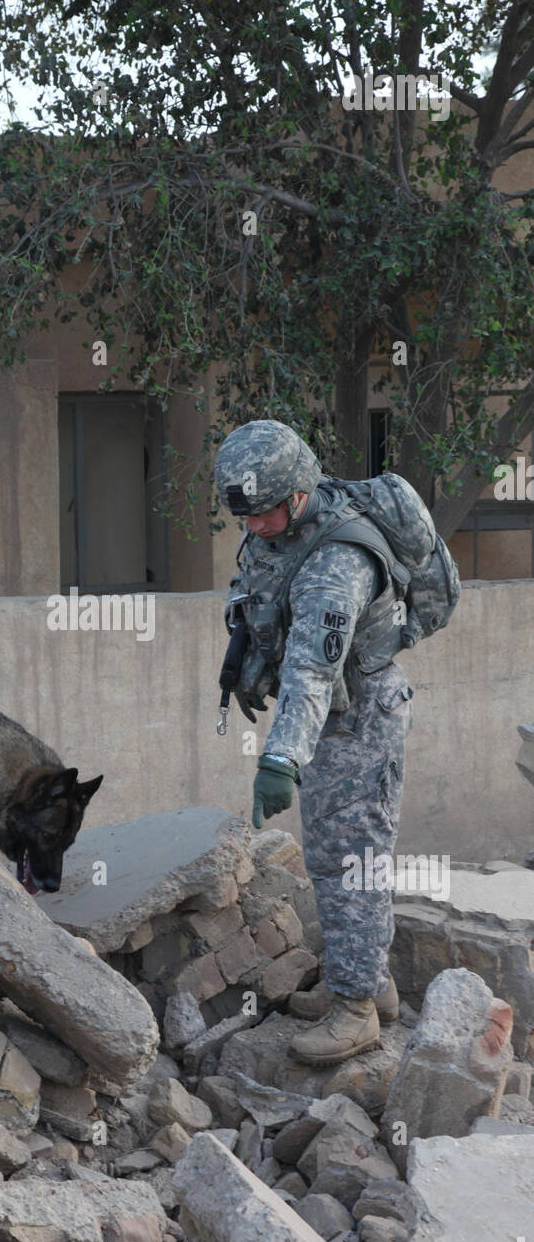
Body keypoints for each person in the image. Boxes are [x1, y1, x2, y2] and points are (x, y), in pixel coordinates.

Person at [214, 419, 414, 1066]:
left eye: (265, 514)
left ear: (298, 492)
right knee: (335, 851)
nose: (255, 527)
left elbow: (313, 673)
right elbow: (262, 599)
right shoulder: (282, 529)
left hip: (360, 721)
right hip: (331, 719)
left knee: (351, 857)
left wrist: (279, 759)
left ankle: (357, 1011)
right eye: (244, 516)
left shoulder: (337, 564)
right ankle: (367, 985)